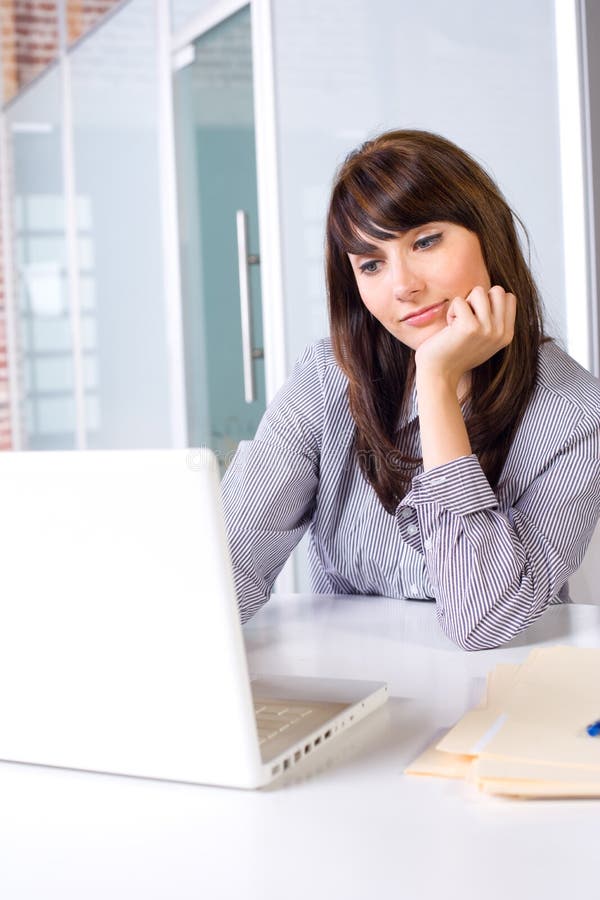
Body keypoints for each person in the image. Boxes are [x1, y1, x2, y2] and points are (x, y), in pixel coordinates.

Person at [221, 129, 600, 650]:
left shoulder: (576, 413)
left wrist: (437, 384)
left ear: (487, 235)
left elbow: (484, 621)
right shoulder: (327, 379)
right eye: (371, 264)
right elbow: (222, 573)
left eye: (424, 241)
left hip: (505, 696)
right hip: (357, 686)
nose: (403, 285)